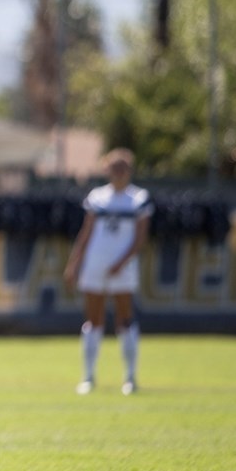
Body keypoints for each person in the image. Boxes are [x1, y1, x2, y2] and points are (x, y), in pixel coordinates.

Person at [63, 147, 153, 396]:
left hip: (122, 268)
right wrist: (74, 263)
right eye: (114, 168)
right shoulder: (97, 197)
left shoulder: (139, 198)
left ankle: (130, 377)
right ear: (106, 170)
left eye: (123, 168)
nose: (119, 173)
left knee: (125, 319)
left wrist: (121, 263)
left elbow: (140, 238)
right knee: (93, 319)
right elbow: (87, 233)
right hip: (96, 264)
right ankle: (89, 376)